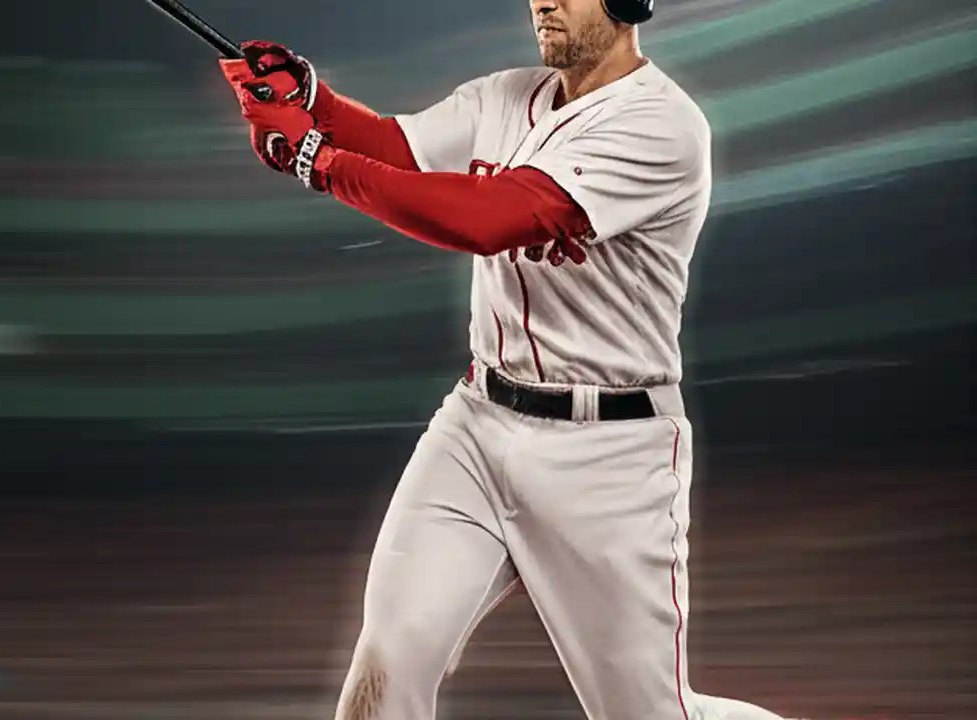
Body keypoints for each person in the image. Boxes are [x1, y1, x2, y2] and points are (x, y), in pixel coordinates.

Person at [219, 1, 793, 718]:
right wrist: (313, 103)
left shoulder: (663, 126)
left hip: (610, 455)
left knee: (648, 713)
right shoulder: (505, 95)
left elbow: (487, 220)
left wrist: (316, 160)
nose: (543, 0)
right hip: (477, 429)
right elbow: (397, 149)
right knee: (387, 665)